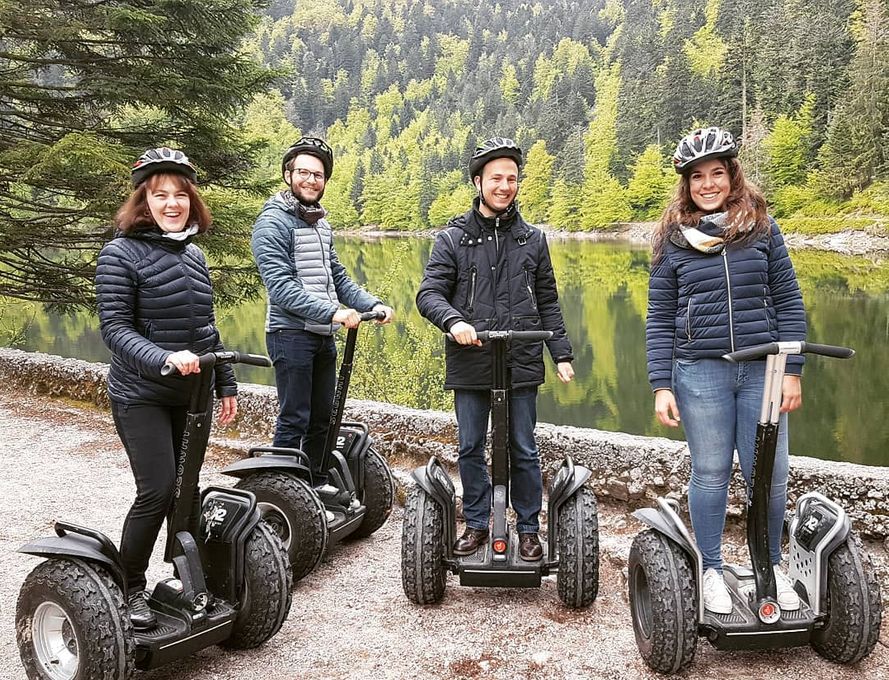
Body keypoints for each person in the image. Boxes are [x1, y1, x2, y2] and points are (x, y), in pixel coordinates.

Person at [646, 126, 807, 614]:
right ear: (687, 184)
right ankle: (712, 568)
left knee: (771, 475)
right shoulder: (673, 240)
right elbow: (658, 317)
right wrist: (661, 384)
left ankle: (770, 565)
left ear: (733, 176)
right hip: (700, 373)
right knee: (711, 473)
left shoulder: (762, 228)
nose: (709, 184)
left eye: (717, 173)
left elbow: (788, 299)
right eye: (698, 177)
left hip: (764, 370)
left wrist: (793, 369)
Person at [96, 147, 238, 629]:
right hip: (141, 394)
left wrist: (225, 384)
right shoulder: (119, 253)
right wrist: (162, 358)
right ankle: (129, 586)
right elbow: (115, 329)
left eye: (180, 194)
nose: (172, 203)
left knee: (188, 490)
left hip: (190, 394)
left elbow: (207, 328)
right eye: (160, 195)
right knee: (157, 491)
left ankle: (182, 578)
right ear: (143, 201)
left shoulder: (193, 253)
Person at [416, 137, 575, 561]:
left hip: (521, 357)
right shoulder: (452, 239)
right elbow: (429, 294)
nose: (505, 186)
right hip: (471, 358)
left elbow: (548, 301)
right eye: (496, 178)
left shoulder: (533, 240)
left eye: (512, 178)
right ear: (478, 181)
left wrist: (561, 353)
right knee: (470, 444)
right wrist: (455, 322)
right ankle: (476, 522)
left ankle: (527, 527)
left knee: (523, 445)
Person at [251, 136, 393, 496]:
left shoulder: (320, 224)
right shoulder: (273, 224)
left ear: (325, 180)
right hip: (290, 334)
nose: (311, 180)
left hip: (321, 334)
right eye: (303, 172)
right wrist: (334, 312)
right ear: (288, 175)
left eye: (318, 174)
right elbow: (281, 288)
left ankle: (313, 483)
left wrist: (371, 304)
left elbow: (338, 277)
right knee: (294, 417)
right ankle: (279, 490)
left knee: (323, 418)